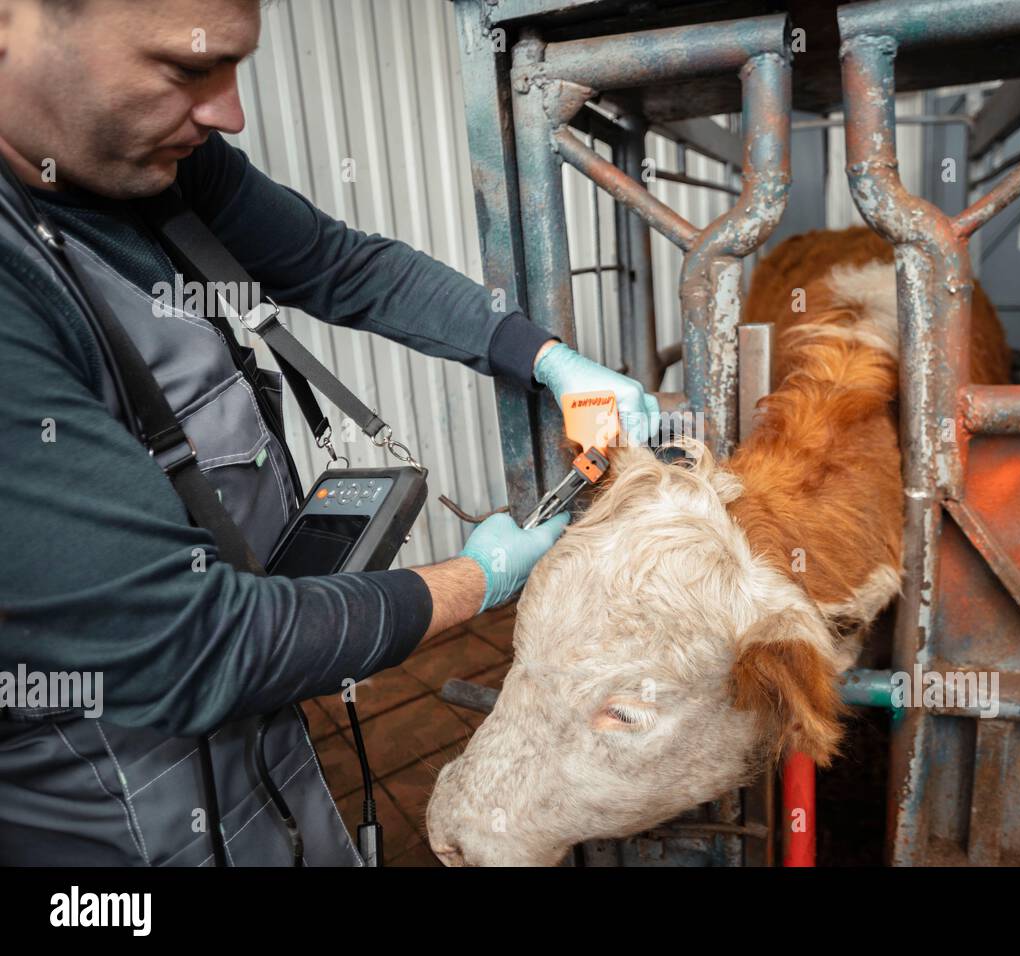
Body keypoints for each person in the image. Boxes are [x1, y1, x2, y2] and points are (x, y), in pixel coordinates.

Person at [0, 0, 657, 864]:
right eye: (185, 70)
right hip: (100, 809)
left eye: (234, 67)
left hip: (262, 744)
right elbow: (196, 645)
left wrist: (548, 360)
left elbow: (343, 266)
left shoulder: (151, 170)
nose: (229, 112)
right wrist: (476, 581)